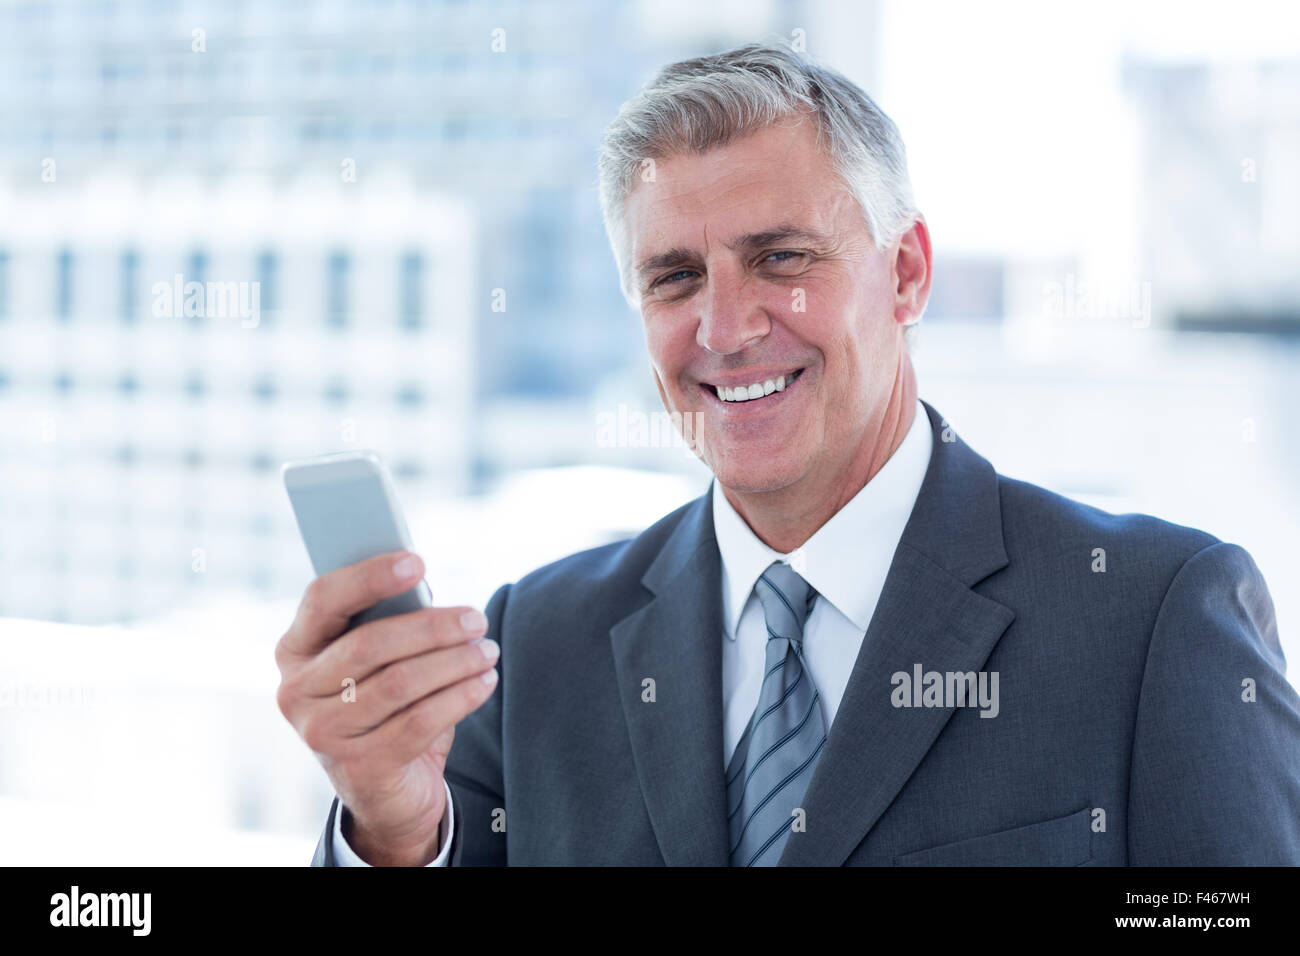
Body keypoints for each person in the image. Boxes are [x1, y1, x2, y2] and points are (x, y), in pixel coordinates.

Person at [275, 42, 1300, 866]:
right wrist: (395, 836)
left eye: (780, 258)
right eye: (674, 277)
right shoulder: (535, 643)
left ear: (905, 273)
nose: (723, 327)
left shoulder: (1155, 616)